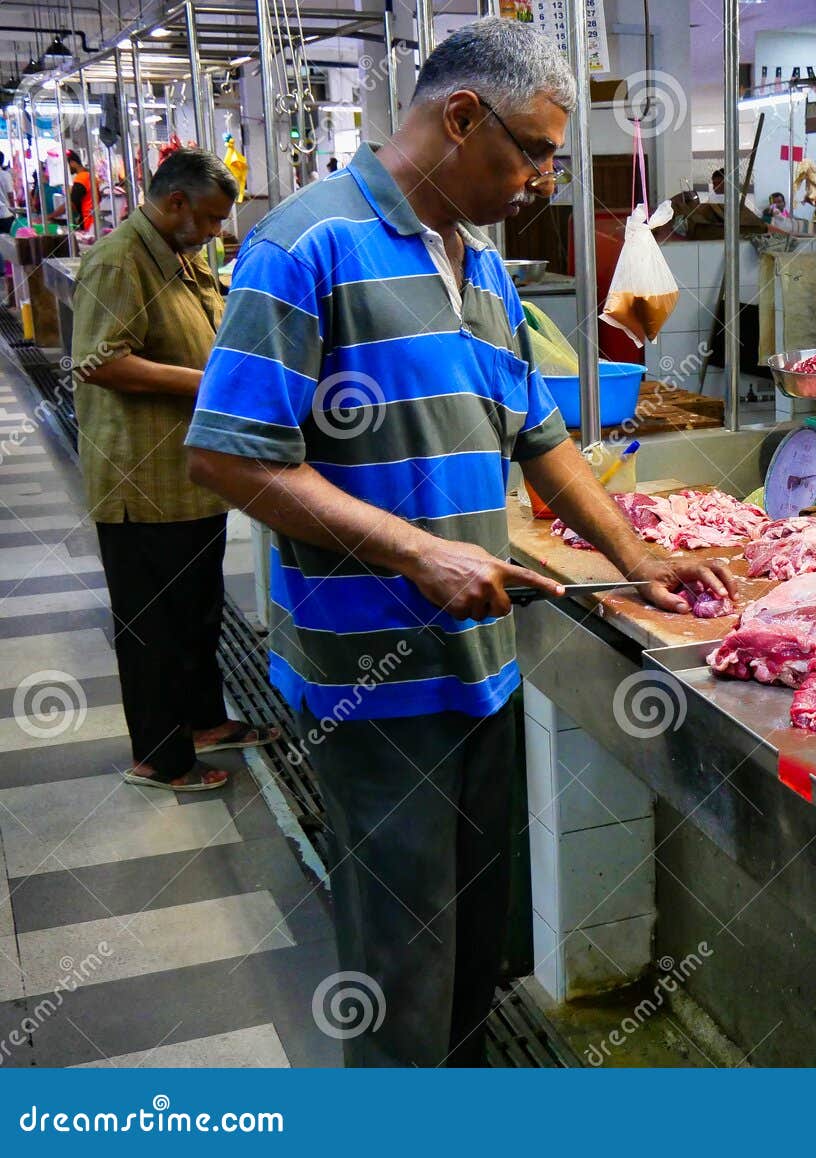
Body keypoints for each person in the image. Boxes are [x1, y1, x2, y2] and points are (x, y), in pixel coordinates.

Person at [184, 17, 732, 1068]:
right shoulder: (305, 245)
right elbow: (230, 456)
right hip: (373, 686)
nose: (538, 178)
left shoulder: (479, 261)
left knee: (477, 957)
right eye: (529, 151)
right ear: (460, 117)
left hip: (481, 671)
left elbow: (539, 433)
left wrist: (636, 555)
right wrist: (415, 553)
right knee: (402, 973)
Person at [72, 148, 280, 793]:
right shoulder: (119, 260)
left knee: (197, 610)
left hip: (188, 477)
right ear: (176, 203)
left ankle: (202, 721)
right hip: (140, 480)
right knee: (152, 624)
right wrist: (209, 380)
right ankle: (159, 758)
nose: (218, 232)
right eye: (213, 219)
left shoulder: (181, 258)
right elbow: (99, 361)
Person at [49, 150, 95, 230]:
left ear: (73, 163)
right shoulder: (89, 175)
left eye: (66, 166)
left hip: (88, 222)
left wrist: (51, 216)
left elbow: (71, 204)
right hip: (92, 221)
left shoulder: (81, 178)